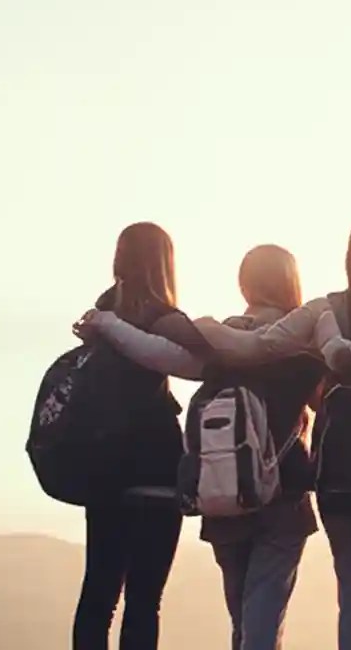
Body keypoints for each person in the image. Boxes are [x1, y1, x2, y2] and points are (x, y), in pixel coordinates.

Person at [83, 244, 325, 650]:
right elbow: (325, 401)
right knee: (261, 622)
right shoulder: (301, 342)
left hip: (221, 495)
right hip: (283, 498)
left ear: (244, 284)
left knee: (241, 620)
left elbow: (160, 355)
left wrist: (108, 325)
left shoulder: (218, 341)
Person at [69, 222, 211, 650]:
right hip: (156, 465)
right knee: (145, 598)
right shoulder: (160, 316)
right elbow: (205, 356)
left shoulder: (100, 313)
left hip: (105, 469)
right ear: (164, 264)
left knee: (98, 593)